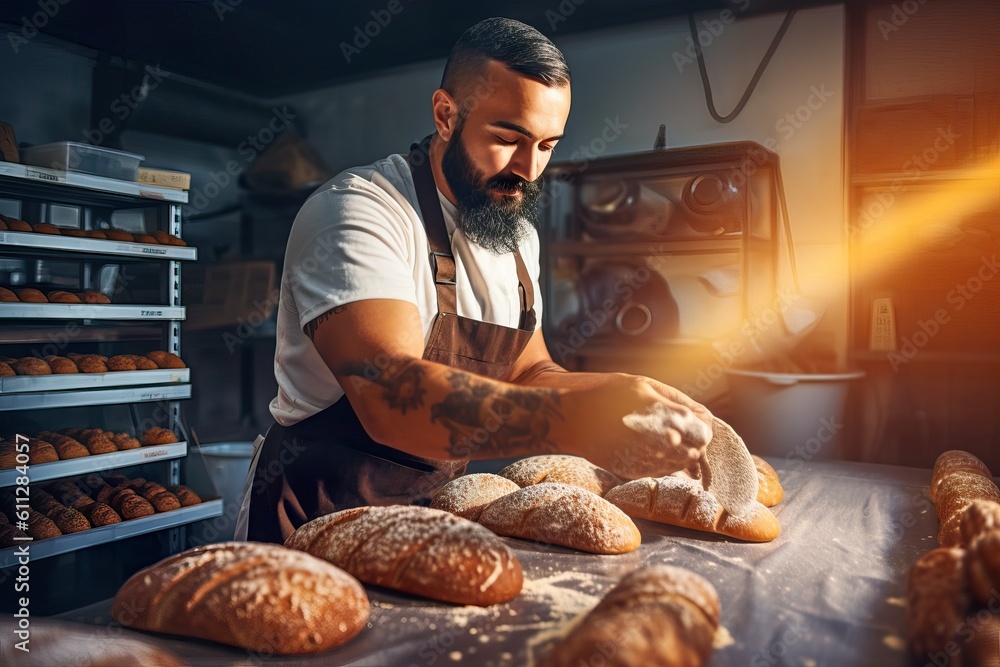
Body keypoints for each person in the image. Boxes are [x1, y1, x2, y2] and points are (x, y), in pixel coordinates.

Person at [236, 17, 714, 544]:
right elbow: (389, 391)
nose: (529, 169)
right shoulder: (358, 212)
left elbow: (530, 372)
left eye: (548, 145)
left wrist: (627, 395)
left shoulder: (514, 235)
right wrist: (579, 419)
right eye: (508, 138)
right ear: (446, 114)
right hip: (312, 518)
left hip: (431, 519)